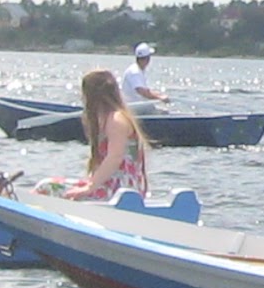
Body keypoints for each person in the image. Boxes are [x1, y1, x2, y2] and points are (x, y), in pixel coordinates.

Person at [33, 69, 150, 201]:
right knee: (48, 186)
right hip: (111, 186)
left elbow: (115, 157)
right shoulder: (109, 119)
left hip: (120, 191)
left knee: (45, 187)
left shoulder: (116, 120)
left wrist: (90, 187)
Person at [121, 42, 170, 107]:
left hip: (138, 107)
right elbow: (141, 91)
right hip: (134, 109)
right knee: (164, 113)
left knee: (162, 112)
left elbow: (147, 91)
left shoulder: (138, 70)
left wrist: (160, 95)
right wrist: (159, 97)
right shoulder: (135, 72)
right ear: (147, 59)